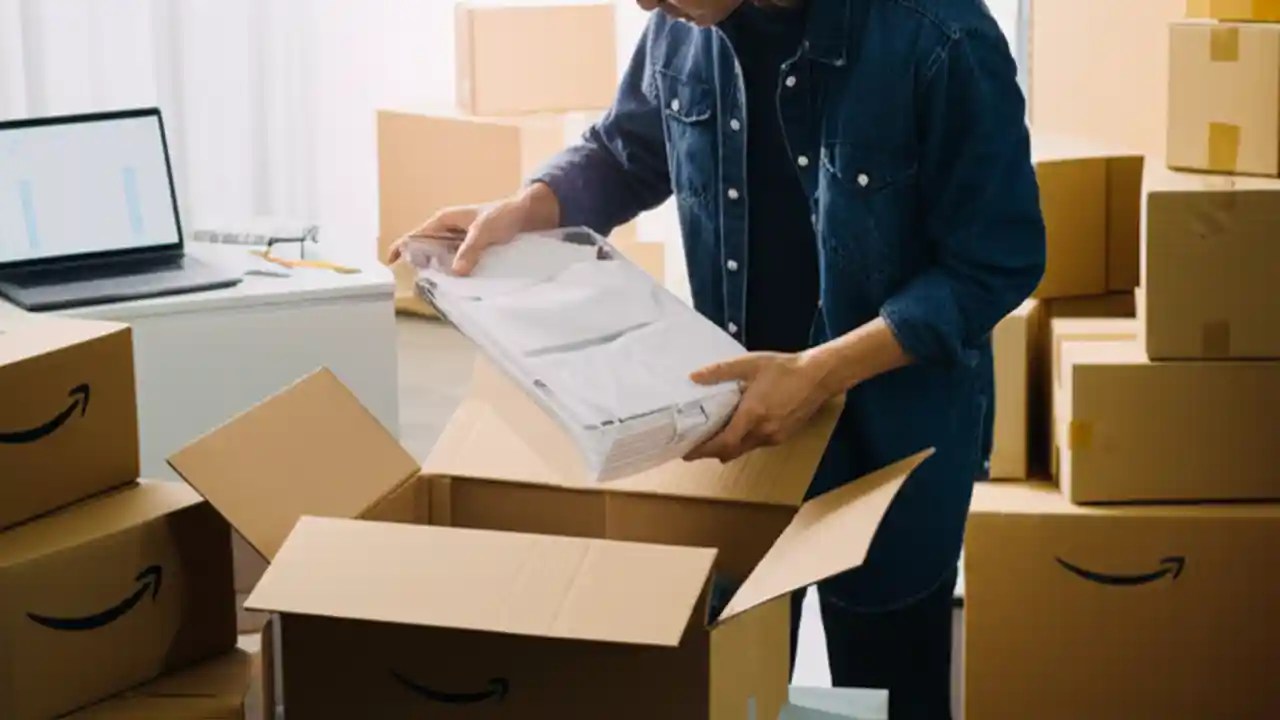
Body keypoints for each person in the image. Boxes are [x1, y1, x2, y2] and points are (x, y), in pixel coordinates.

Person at [392, 0, 1045, 716]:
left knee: (886, 689)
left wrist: (818, 373)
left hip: (889, 446)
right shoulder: (682, 21)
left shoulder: (942, 38)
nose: (644, 3)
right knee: (734, 689)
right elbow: (626, 149)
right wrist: (528, 207)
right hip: (735, 436)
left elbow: (995, 263)